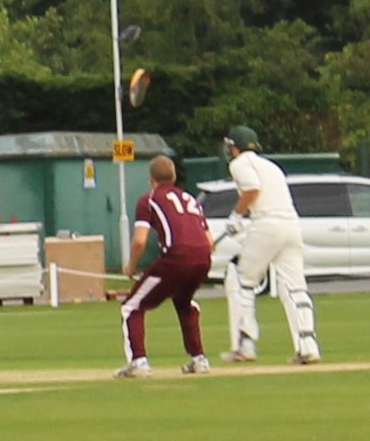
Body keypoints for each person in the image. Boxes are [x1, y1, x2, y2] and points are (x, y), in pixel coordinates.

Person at [214, 126, 320, 364]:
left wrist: (236, 216)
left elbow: (252, 189)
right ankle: (308, 346)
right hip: (291, 226)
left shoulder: (239, 164)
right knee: (295, 287)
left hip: (267, 225)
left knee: (241, 280)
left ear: (235, 147)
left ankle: (245, 345)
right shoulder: (272, 166)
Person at [112, 154, 213, 380]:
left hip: (176, 257)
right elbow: (209, 241)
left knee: (131, 307)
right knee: (184, 302)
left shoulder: (148, 200)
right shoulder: (190, 199)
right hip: (203, 258)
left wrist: (130, 266)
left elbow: (140, 240)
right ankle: (199, 359)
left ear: (151, 179)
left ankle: (138, 361)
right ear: (174, 177)